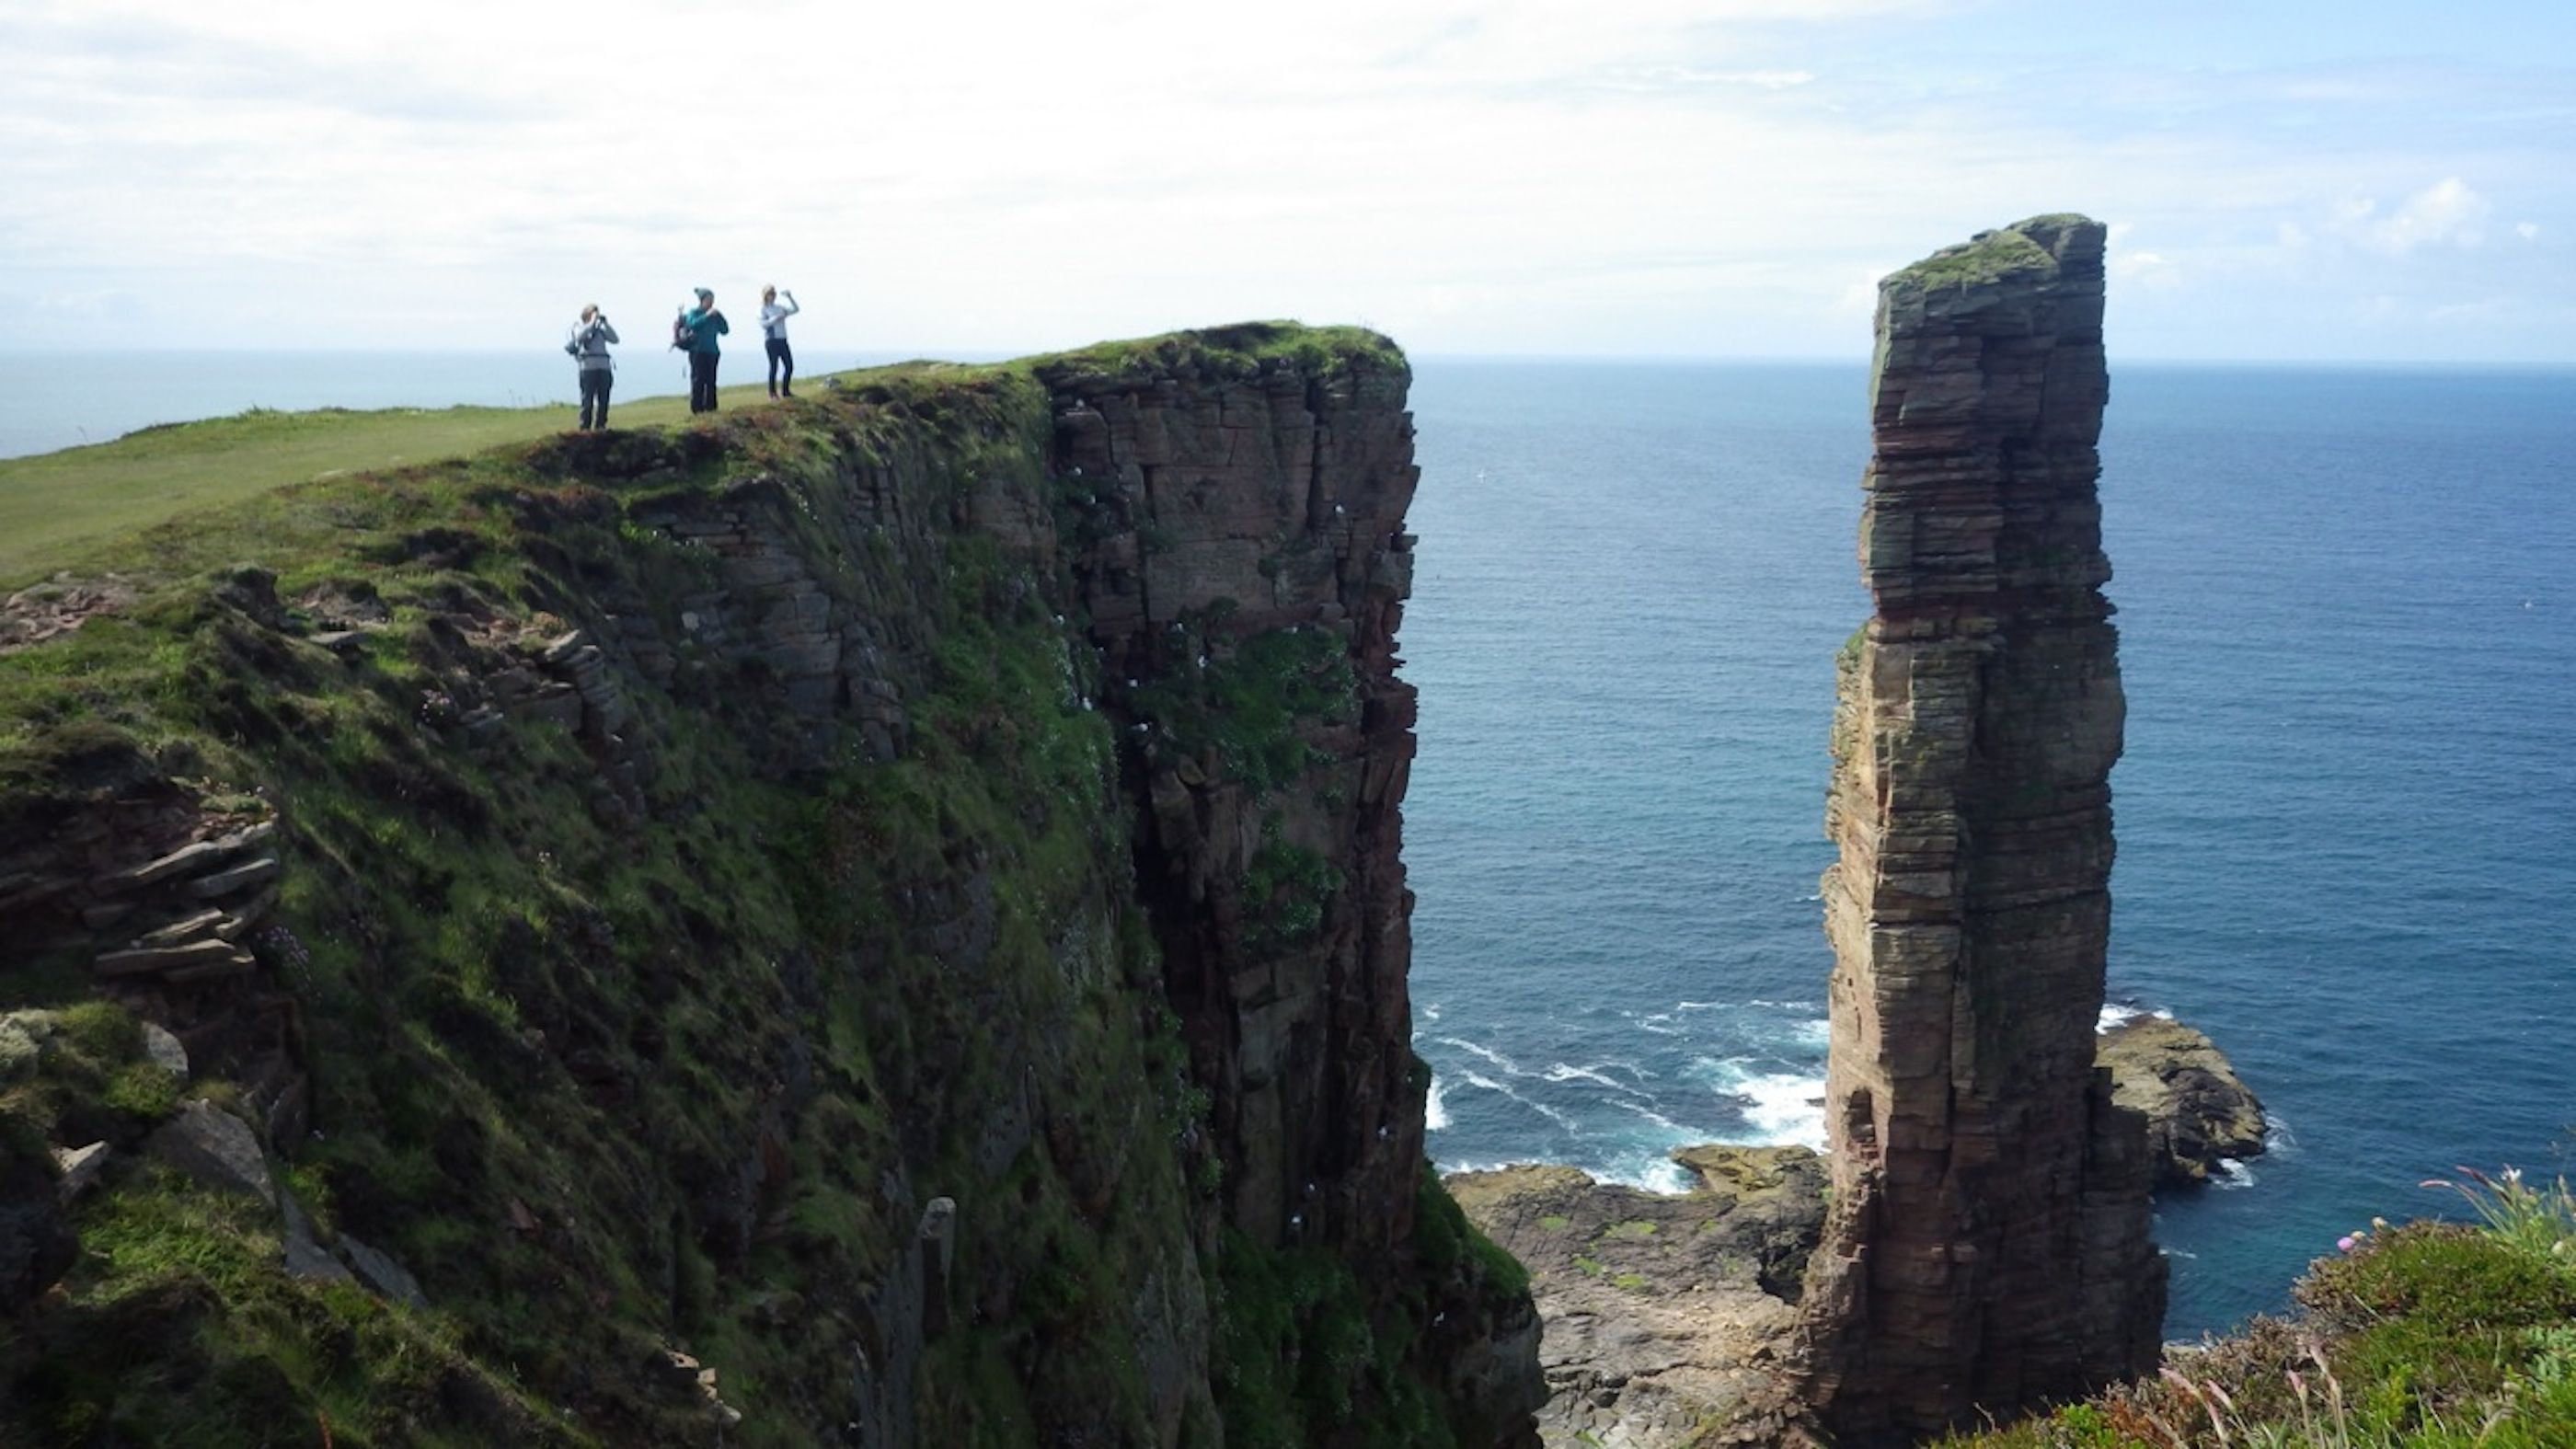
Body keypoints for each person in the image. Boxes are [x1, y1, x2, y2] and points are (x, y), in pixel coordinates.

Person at [569, 305, 618, 430]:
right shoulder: (579, 327)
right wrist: (591, 322)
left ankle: (601, 425)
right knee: (587, 400)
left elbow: (615, 339)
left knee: (604, 399)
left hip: (604, 368)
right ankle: (585, 426)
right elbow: (580, 337)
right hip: (588, 368)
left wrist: (605, 324)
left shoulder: (600, 329)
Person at [681, 287, 729, 413]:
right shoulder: (694, 312)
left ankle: (711, 407)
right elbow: (692, 324)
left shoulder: (715, 315)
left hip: (712, 351)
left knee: (711, 380)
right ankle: (697, 409)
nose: (711, 302)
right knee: (698, 380)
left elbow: (725, 330)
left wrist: (720, 316)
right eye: (708, 299)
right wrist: (706, 316)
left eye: (712, 300)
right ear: (702, 300)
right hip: (697, 350)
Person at [759, 285, 800, 397]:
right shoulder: (763, 309)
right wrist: (774, 319)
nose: (771, 296)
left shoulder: (779, 307)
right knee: (774, 367)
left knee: (789, 366)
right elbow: (763, 324)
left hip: (782, 339)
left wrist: (789, 297)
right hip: (771, 341)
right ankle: (772, 393)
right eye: (769, 294)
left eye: (773, 294)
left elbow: (796, 309)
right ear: (765, 296)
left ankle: (786, 391)